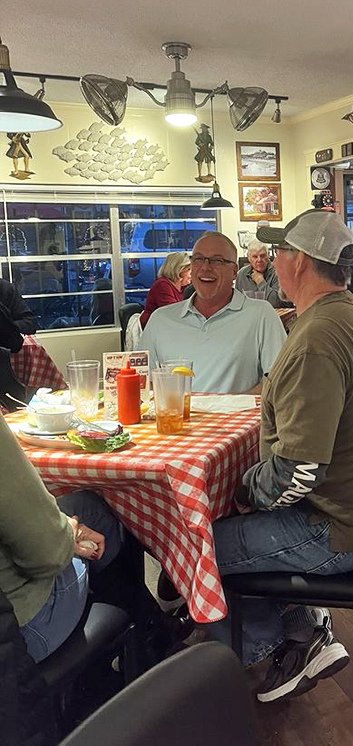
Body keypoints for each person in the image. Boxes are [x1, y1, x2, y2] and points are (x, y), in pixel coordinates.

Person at [210, 209, 353, 702]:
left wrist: (240, 492)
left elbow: (297, 472)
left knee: (192, 549)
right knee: (220, 535)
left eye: (278, 252)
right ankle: (301, 621)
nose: (272, 261)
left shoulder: (316, 338)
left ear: (298, 261)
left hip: (334, 528)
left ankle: (280, 645)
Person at [0, 415, 122, 661]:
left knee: (78, 510)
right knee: (93, 512)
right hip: (19, 636)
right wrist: (70, 530)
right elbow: (48, 556)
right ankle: (140, 640)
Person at [137, 232, 286, 393]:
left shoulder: (262, 315)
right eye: (198, 259)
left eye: (217, 261)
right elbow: (141, 381)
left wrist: (230, 407)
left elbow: (280, 378)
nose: (205, 267)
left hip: (236, 416)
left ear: (234, 271)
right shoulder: (161, 319)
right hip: (176, 416)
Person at [140, 251, 191, 329]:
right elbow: (173, 312)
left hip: (168, 326)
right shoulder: (162, 285)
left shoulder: (182, 288)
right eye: (189, 269)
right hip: (153, 328)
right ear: (179, 269)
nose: (192, 273)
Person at [234, 240, 290, 309]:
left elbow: (275, 303)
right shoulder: (241, 274)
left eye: (262, 256)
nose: (259, 260)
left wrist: (260, 281)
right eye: (255, 256)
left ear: (268, 255)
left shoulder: (278, 272)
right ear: (248, 258)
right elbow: (237, 303)